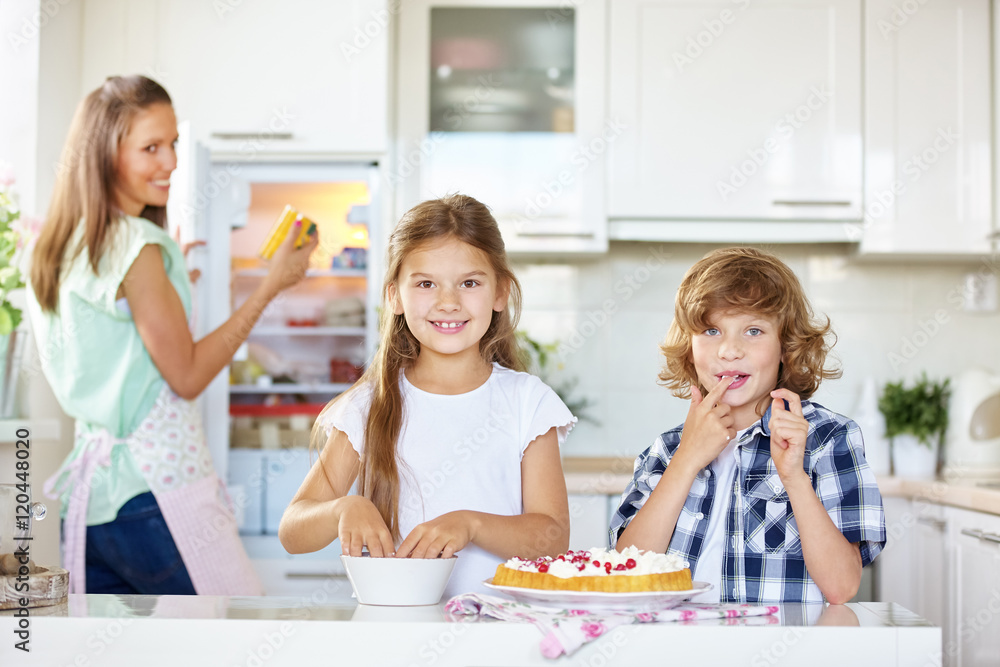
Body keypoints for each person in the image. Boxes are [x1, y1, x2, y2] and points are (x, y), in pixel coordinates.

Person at [26, 75, 317, 595]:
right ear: (104, 154)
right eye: (151, 148)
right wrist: (269, 287)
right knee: (231, 637)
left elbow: (109, 343)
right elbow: (185, 376)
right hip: (151, 492)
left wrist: (166, 280)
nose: (172, 163)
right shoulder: (137, 247)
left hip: (90, 505)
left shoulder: (60, 245)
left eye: (174, 144)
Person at [279, 194, 574, 597]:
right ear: (395, 296)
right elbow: (293, 531)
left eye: (469, 283)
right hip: (396, 636)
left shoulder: (528, 402)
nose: (448, 302)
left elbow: (552, 537)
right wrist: (343, 508)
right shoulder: (368, 407)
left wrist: (471, 524)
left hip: (501, 634)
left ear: (500, 292)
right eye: (425, 283)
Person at [610, 247, 886, 605]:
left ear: (786, 346)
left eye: (753, 331)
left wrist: (794, 479)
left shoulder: (826, 439)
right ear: (690, 348)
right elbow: (627, 570)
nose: (729, 350)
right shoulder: (668, 449)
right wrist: (687, 460)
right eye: (711, 330)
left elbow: (842, 587)